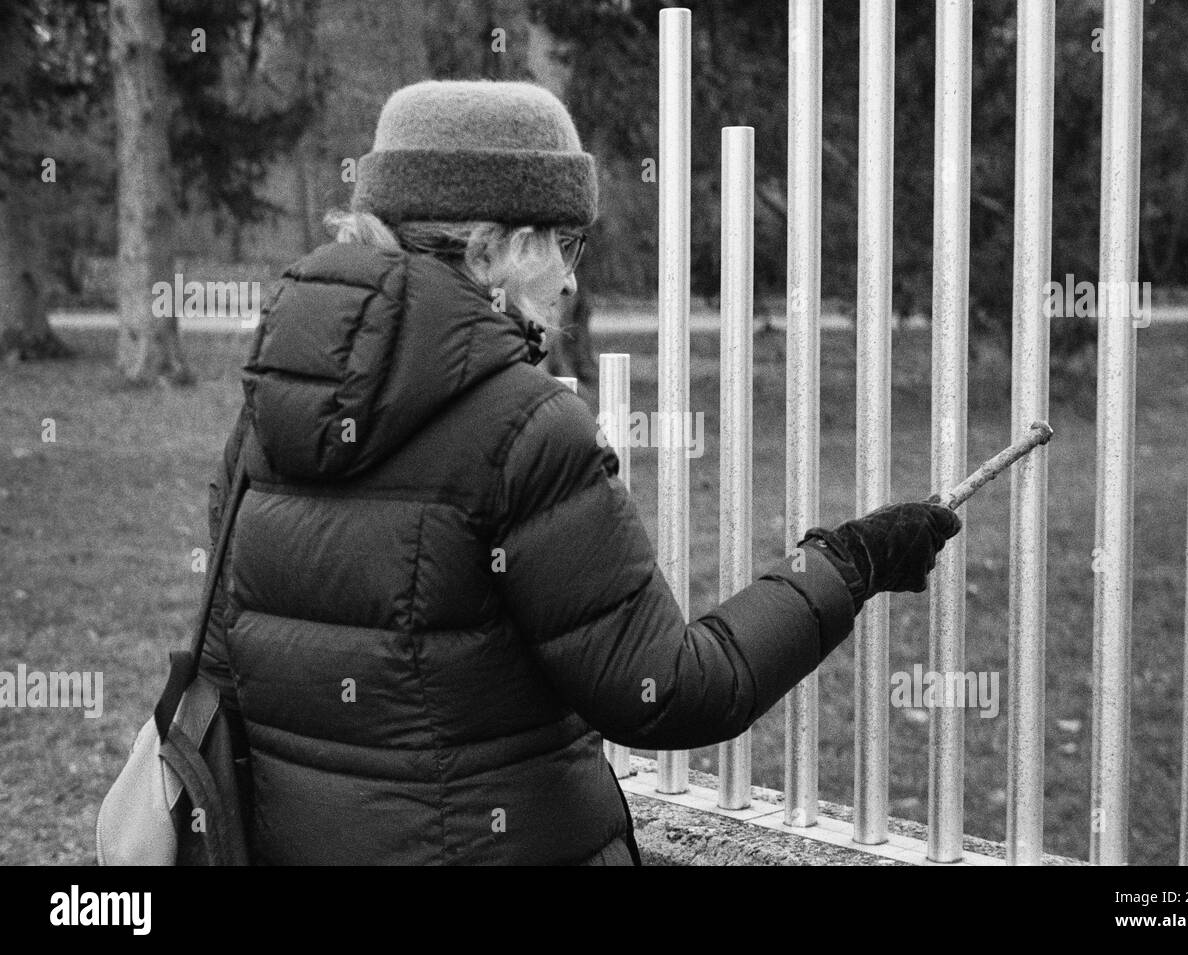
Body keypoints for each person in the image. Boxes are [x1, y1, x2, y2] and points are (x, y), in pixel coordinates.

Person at [199, 79, 962, 866]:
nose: (570, 278)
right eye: (562, 242)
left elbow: (224, 671)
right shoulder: (525, 427)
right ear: (488, 248)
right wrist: (846, 563)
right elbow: (665, 691)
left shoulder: (271, 405)